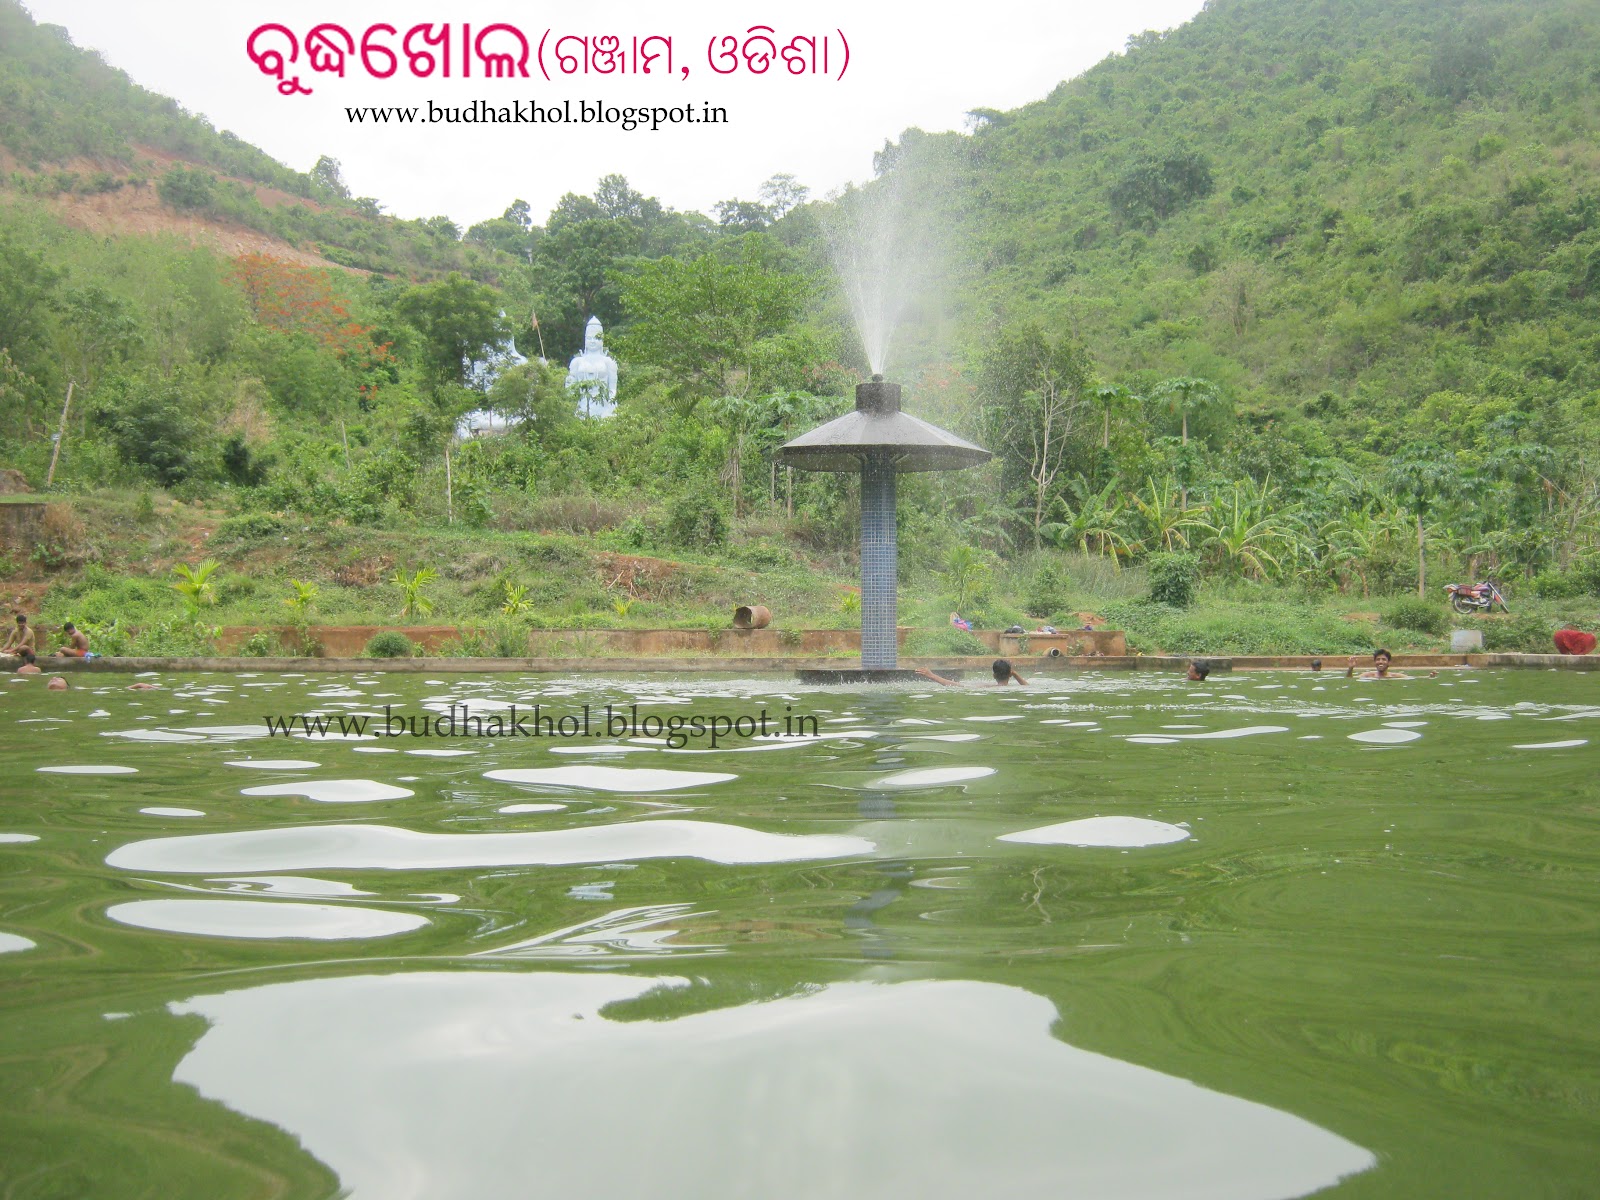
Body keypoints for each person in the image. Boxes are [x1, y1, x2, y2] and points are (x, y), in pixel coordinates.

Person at [915, 659, 1030, 688]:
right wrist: (1014, 674)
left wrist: (932, 675)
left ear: (994, 675)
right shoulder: (1012, 688)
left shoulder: (987, 687)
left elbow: (953, 685)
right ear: (1010, 674)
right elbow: (1027, 687)